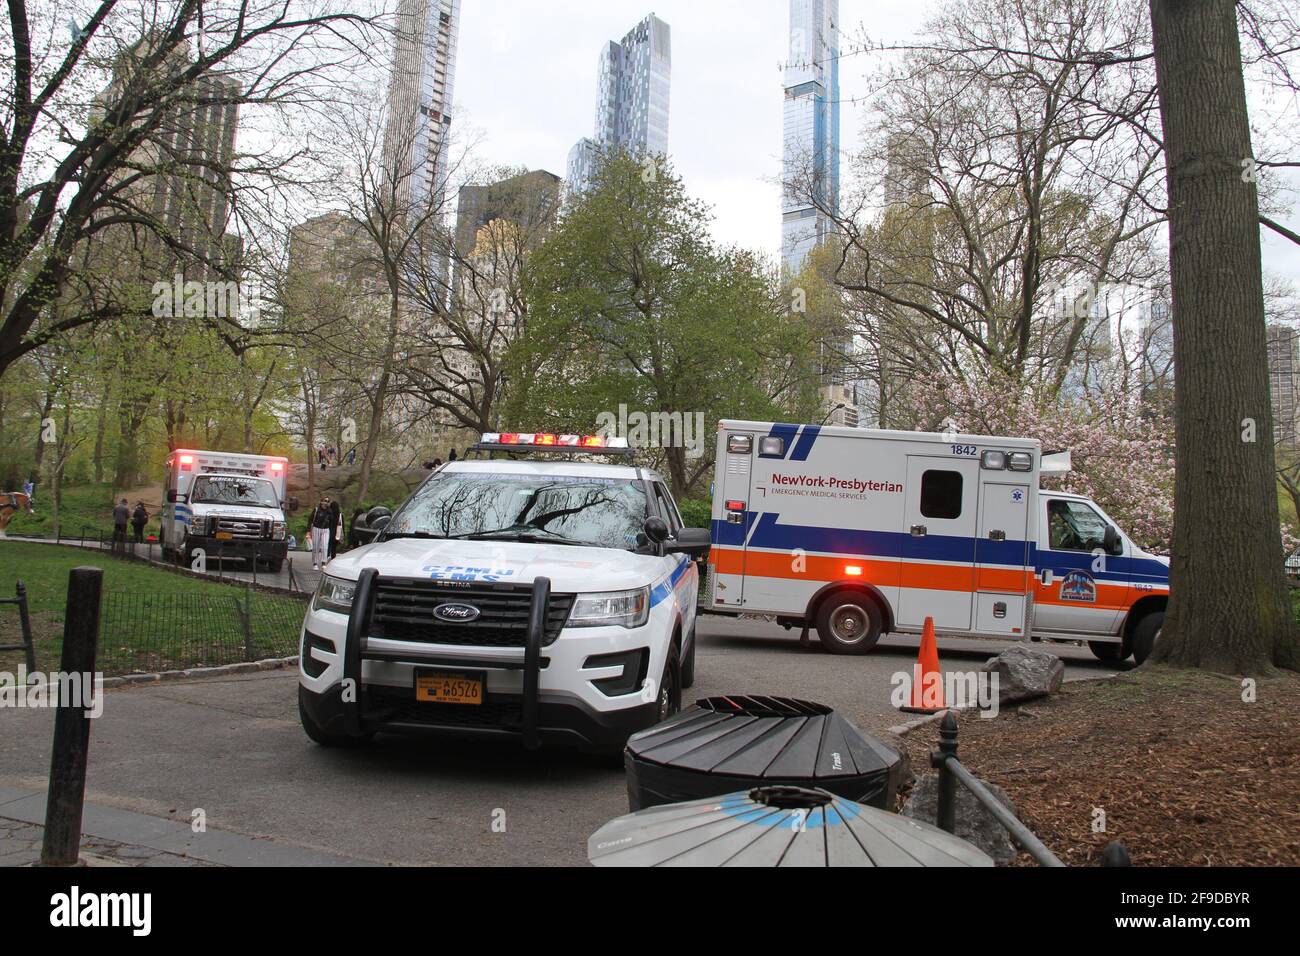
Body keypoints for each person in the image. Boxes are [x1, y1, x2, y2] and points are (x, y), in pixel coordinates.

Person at [309, 496, 333, 570]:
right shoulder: (317, 510)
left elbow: (332, 520)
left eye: (328, 501)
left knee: (325, 546)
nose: (326, 503)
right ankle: (315, 563)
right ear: (321, 502)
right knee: (316, 546)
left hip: (326, 529)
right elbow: (310, 520)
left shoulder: (329, 511)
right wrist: (308, 531)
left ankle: (323, 562)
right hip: (316, 528)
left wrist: (329, 511)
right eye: (325, 501)